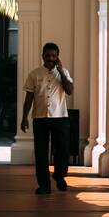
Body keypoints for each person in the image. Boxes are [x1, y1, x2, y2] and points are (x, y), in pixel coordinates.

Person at [20, 42, 74, 194]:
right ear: (42, 56)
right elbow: (29, 98)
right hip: (40, 117)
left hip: (60, 117)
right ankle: (44, 184)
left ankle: (59, 176)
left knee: (62, 150)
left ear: (58, 57)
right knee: (41, 152)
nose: (51, 58)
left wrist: (61, 71)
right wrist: (24, 118)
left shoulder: (64, 72)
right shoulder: (34, 74)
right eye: (48, 55)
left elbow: (69, 91)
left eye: (54, 56)